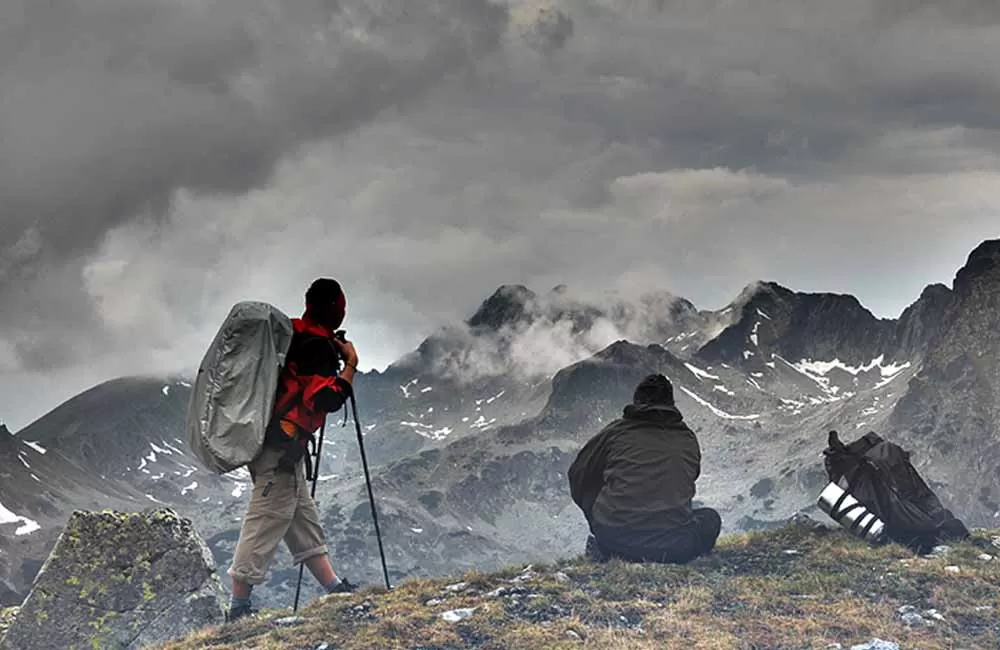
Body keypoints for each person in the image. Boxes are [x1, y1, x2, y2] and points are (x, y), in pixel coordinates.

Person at [226, 278, 360, 622]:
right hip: (279, 448)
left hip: (282, 446)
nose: (343, 310)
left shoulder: (297, 335)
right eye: (341, 305)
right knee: (266, 518)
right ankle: (238, 607)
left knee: (300, 515)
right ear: (335, 307)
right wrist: (350, 365)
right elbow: (326, 398)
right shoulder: (315, 346)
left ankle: (333, 588)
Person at [567, 373, 721, 565]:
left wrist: (597, 515)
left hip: (614, 540)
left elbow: (579, 475)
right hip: (673, 547)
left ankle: (608, 548)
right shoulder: (686, 437)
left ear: (637, 401)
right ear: (671, 403)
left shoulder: (615, 433)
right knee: (710, 518)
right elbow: (689, 477)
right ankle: (683, 553)